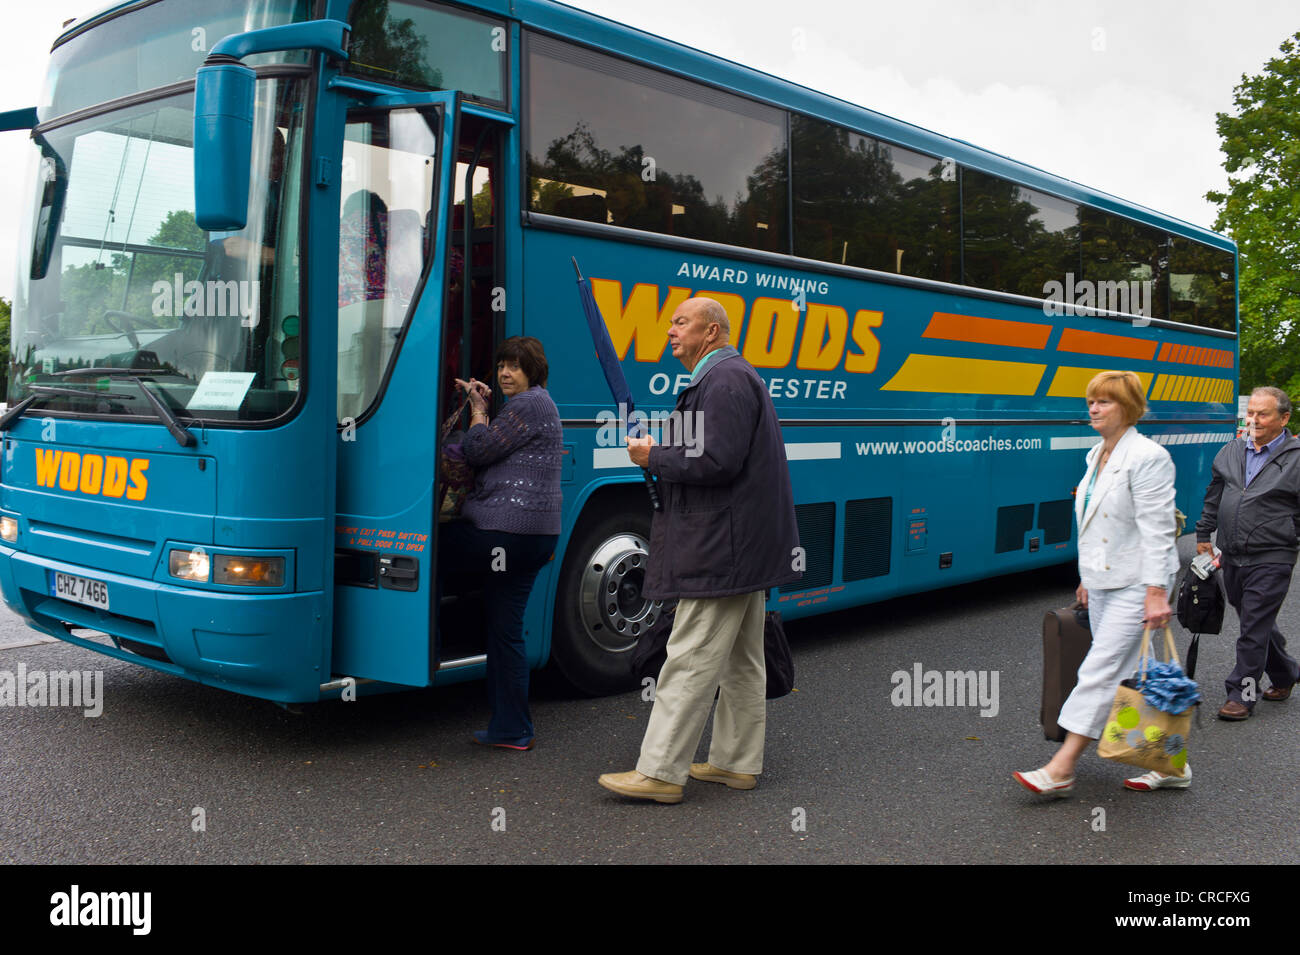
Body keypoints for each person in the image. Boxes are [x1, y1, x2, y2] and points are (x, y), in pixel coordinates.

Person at [597, 296, 801, 804]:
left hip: (722, 548)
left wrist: (653, 455)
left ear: (711, 332)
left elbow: (717, 461)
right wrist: (663, 453)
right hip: (741, 544)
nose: (670, 331)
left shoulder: (724, 381)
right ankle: (736, 764)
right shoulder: (727, 377)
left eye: (680, 322)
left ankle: (661, 772)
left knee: (687, 655)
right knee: (741, 661)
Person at [1014, 370, 1182, 796]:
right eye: (1091, 400)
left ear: (1127, 407)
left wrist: (1157, 593)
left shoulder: (1148, 457)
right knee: (1127, 672)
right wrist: (1086, 578)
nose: (1093, 408)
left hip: (1136, 583)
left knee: (1100, 670)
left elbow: (1159, 530)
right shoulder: (1096, 455)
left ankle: (1061, 767)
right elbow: (1092, 525)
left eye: (1104, 401)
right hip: (1104, 581)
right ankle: (1171, 763)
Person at [439, 336, 562, 750]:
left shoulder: (528, 405)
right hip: (533, 538)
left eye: (516, 366)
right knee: (505, 630)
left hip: (504, 535)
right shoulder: (538, 405)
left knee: (421, 550)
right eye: (503, 365)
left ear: (533, 371)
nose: (507, 373)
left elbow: (476, 449)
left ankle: (413, 647)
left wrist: (477, 410)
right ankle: (512, 729)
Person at [1195, 385, 1300, 720]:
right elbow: (1215, 493)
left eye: (1263, 414)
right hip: (1232, 553)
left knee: (1252, 628)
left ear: (1284, 418)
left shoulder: (1296, 457)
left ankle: (1242, 694)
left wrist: (1290, 533)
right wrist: (1203, 532)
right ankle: (1285, 674)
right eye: (1250, 412)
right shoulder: (1231, 450)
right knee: (1257, 622)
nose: (1253, 419)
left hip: (1274, 555)